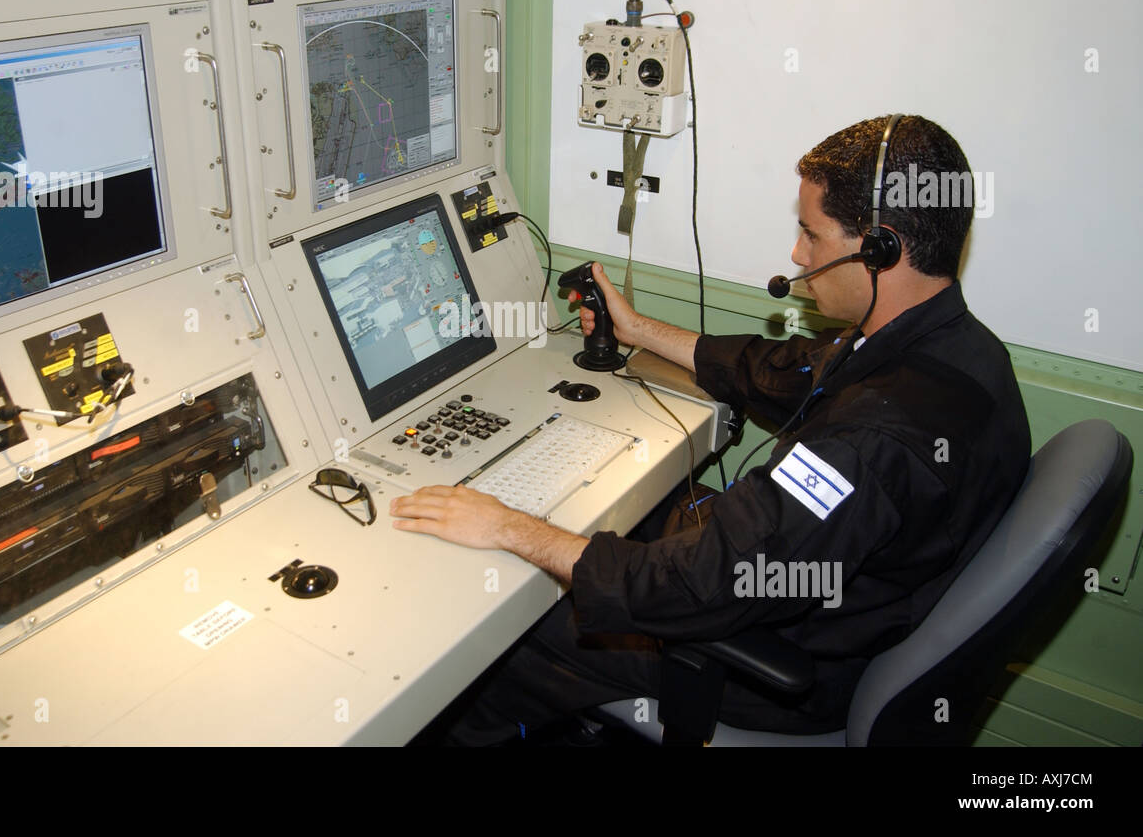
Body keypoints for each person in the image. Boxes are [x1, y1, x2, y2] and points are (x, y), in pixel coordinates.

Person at [391, 115, 1031, 744]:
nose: (797, 254)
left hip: (771, 667)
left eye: (811, 235)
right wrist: (639, 330)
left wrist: (507, 525)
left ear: (880, 249)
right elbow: (776, 370)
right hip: (835, 607)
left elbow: (695, 585)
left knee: (508, 628)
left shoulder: (871, 445)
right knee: (632, 518)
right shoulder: (958, 352)